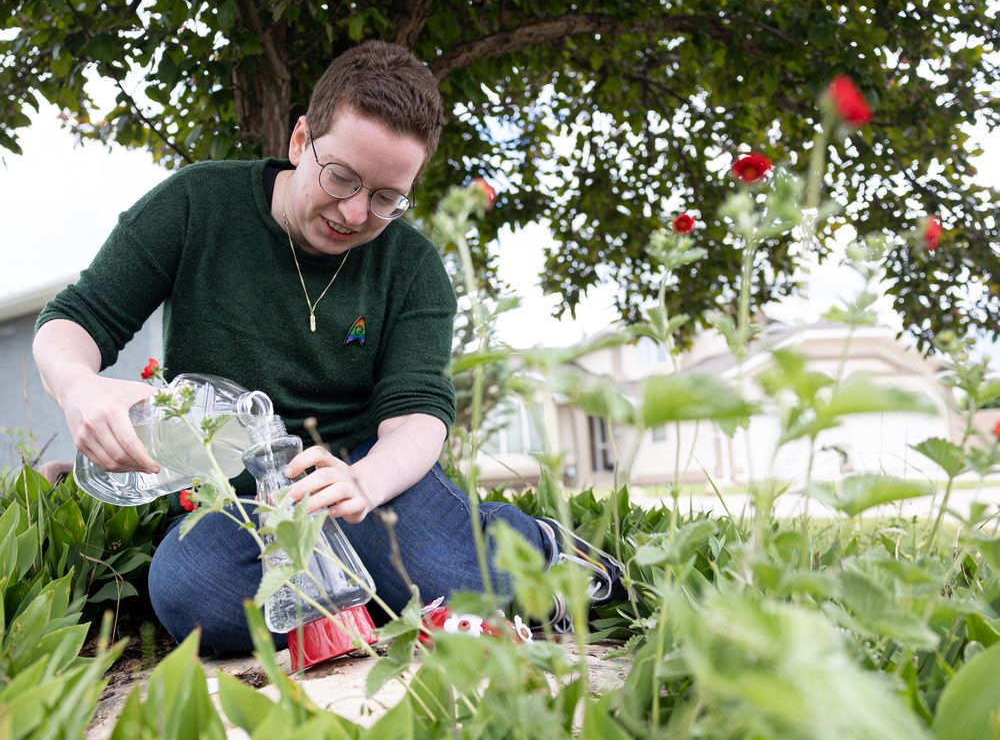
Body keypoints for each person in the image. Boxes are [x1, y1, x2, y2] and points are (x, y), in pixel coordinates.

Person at [32, 40, 624, 656]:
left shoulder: (412, 266)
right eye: (340, 176)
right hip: (241, 502)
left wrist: (363, 484)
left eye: (386, 197)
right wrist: (79, 386)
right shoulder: (195, 205)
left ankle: (534, 548)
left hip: (370, 481)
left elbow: (418, 416)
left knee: (444, 572)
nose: (354, 211)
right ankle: (384, 592)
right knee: (194, 592)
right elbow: (74, 320)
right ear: (299, 140)